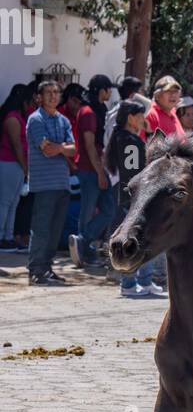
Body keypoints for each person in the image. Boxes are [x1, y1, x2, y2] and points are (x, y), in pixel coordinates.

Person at [106, 100, 164, 298]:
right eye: (140, 116)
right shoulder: (128, 141)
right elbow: (132, 173)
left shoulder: (129, 138)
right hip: (131, 200)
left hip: (136, 198)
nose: (144, 119)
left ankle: (145, 281)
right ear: (131, 118)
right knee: (132, 239)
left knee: (146, 237)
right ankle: (129, 283)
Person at [25, 81, 76, 285]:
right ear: (39, 97)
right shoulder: (35, 119)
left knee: (54, 230)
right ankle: (36, 270)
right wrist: (64, 147)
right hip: (43, 184)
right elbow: (46, 149)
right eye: (48, 92)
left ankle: (46, 268)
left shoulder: (63, 120)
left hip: (62, 183)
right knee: (41, 229)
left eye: (56, 92)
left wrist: (61, 148)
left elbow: (73, 149)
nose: (53, 96)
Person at [68, 73, 114, 268]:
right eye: (108, 89)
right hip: (90, 170)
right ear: (101, 90)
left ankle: (82, 241)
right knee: (87, 212)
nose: (110, 93)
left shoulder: (98, 109)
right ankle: (84, 250)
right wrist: (100, 172)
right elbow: (89, 145)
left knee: (109, 209)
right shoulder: (88, 112)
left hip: (97, 169)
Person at [0, 83, 31, 250]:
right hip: (9, 163)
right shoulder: (12, 117)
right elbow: (16, 145)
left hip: (16, 165)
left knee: (14, 202)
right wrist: (24, 167)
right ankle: (1, 236)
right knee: (5, 202)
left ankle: (8, 236)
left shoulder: (17, 116)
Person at [144, 75, 183, 139]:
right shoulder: (151, 114)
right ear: (157, 96)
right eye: (168, 91)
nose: (173, 94)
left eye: (175, 91)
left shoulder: (172, 112)